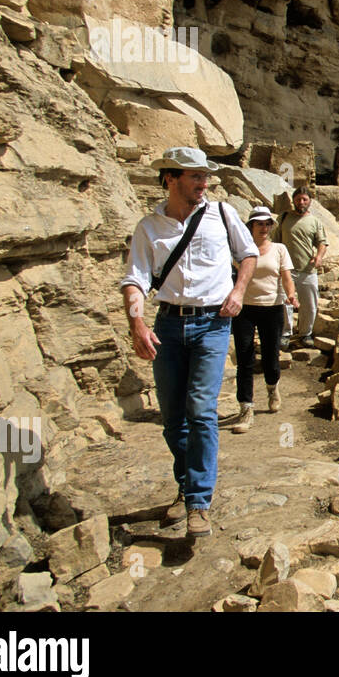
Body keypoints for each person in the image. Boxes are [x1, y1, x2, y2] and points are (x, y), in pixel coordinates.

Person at [120, 147, 257, 538]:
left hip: (213, 323)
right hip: (167, 326)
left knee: (200, 410)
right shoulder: (149, 226)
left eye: (205, 176)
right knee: (172, 418)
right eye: (195, 176)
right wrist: (136, 325)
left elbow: (247, 255)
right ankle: (186, 484)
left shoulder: (221, 214)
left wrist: (238, 291)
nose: (204, 183)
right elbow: (135, 278)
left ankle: (198, 500)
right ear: (171, 179)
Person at [228, 206, 297, 432]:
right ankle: (246, 408)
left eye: (267, 224)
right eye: (259, 224)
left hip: (272, 306)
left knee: (270, 355)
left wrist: (291, 295)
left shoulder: (279, 249)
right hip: (244, 308)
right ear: (251, 226)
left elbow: (286, 276)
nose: (264, 227)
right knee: (245, 358)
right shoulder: (240, 250)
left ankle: (272, 387)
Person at [277, 186, 327, 349]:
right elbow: (275, 242)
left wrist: (319, 257)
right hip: (286, 269)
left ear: (310, 201)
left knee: (309, 304)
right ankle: (286, 333)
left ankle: (305, 333)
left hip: (307, 268)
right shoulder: (284, 218)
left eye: (305, 199)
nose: (301, 202)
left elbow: (322, 243)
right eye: (298, 199)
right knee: (285, 302)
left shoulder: (315, 222)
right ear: (293, 200)